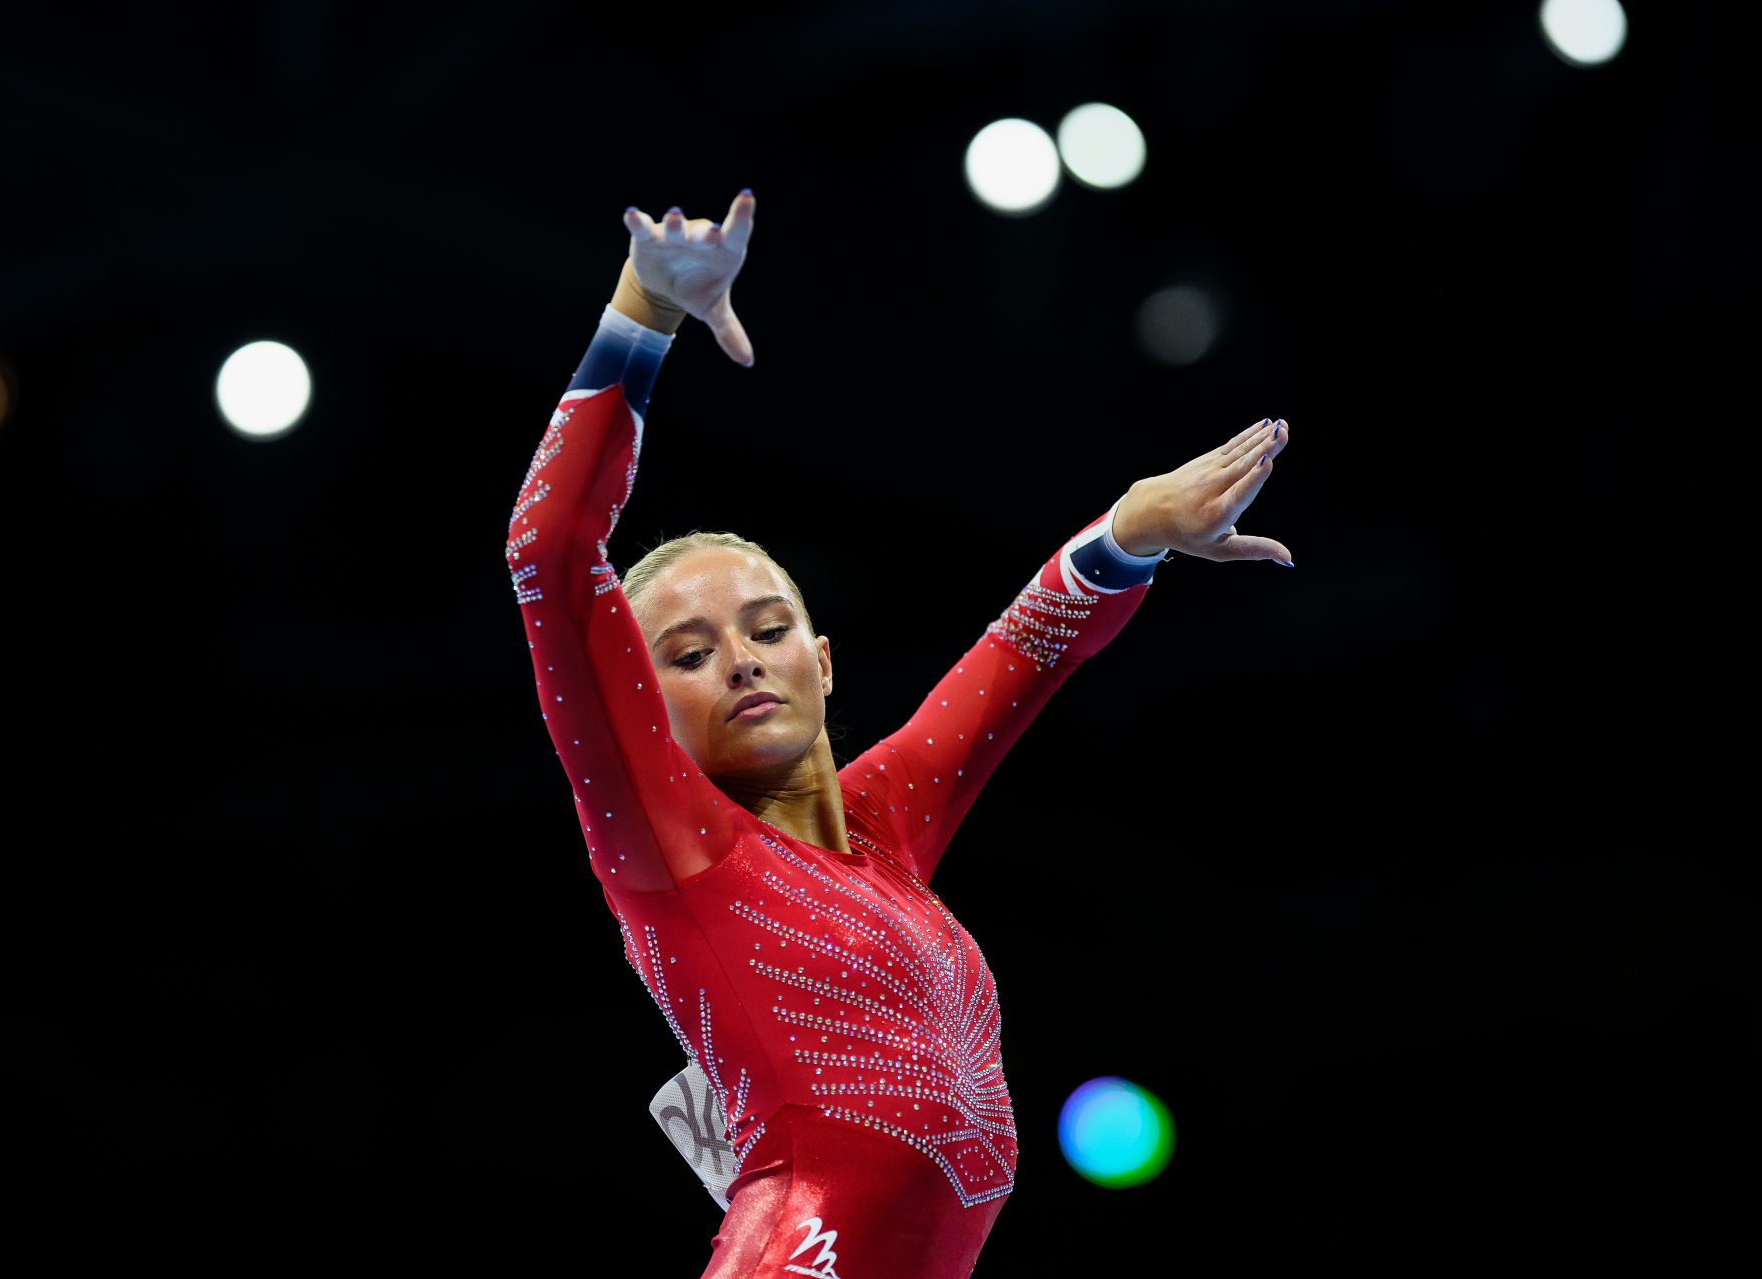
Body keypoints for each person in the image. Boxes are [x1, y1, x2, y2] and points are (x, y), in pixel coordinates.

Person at [508, 190, 1293, 1278]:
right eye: (684, 656)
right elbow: (548, 554)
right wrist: (646, 308)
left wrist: (1131, 535)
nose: (738, 658)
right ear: (647, 720)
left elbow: (1013, 667)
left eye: (768, 628)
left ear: (821, 662)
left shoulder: (882, 840)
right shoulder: (675, 850)